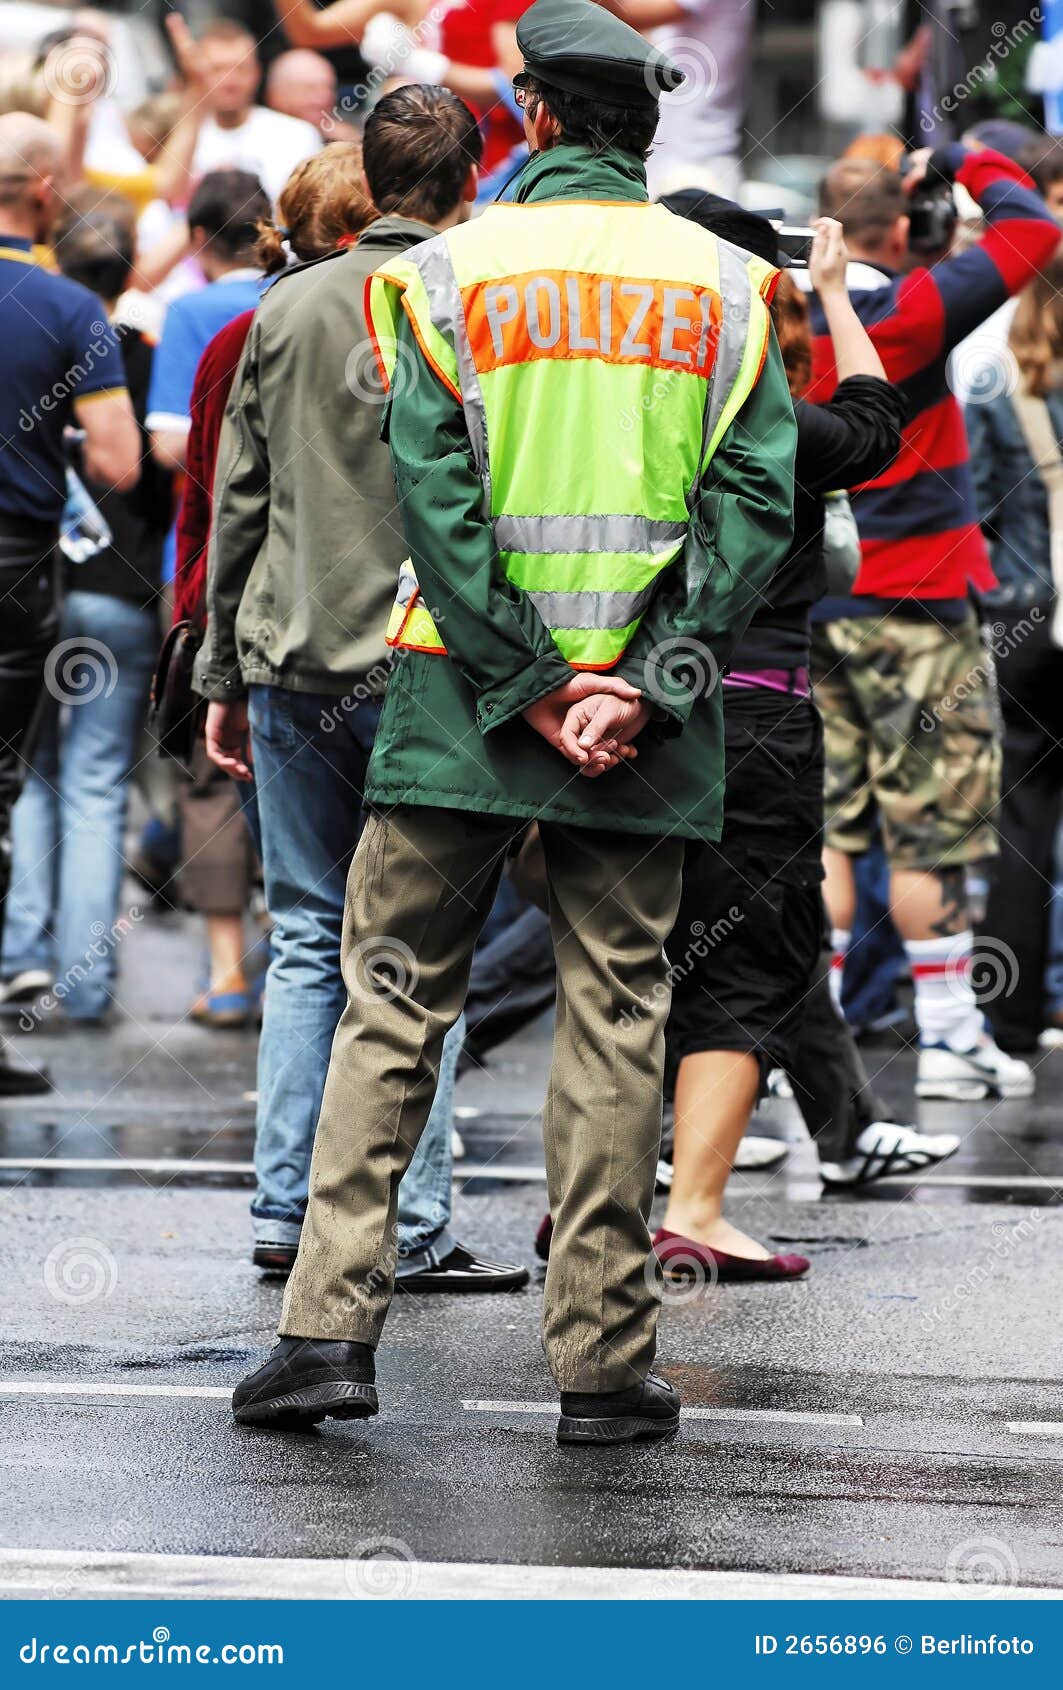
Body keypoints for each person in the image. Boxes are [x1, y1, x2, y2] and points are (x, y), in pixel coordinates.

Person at [231, 0, 798, 1446]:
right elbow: (754, 511)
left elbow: (433, 493)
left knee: (392, 1006)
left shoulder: (438, 274)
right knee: (618, 1018)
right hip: (646, 716)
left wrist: (528, 680)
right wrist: (641, 675)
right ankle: (603, 1367)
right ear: (640, 128)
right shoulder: (729, 288)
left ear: (532, 117)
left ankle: (323, 1332)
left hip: (454, 696)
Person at [196, 102, 525, 1291]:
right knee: (414, 952)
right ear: (467, 179)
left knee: (302, 943)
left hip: (293, 656)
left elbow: (243, 501)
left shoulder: (282, 308)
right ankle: (415, 1218)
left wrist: (218, 674)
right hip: (428, 661)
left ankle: (286, 1210)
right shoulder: (475, 295)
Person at [809, 142, 1059, 1102]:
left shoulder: (780, 316)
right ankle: (951, 1035)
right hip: (916, 604)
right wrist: (961, 154)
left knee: (829, 826)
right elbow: (1034, 229)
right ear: (900, 230)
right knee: (934, 823)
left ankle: (815, 1040)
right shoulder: (909, 311)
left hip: (812, 608)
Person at [2, 203, 170, 1025]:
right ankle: (88, 982)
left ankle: (22, 962)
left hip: (34, 579)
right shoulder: (149, 353)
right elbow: (153, 469)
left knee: (29, 777)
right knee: (99, 784)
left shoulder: (35, 327)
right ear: (131, 263)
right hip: (121, 587)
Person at [966, 250, 1063, 1054]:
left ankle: (1011, 1013)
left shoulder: (998, 386)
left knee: (1022, 811)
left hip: (1023, 620)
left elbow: (976, 513)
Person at [146, 168, 271, 474]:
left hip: (214, 511)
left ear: (199, 237)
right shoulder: (301, 295)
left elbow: (169, 446)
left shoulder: (187, 312)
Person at [191, 18, 322, 205]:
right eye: (217, 69)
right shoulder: (180, 143)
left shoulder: (298, 136)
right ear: (197, 74)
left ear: (257, 73)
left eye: (240, 68)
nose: (230, 81)